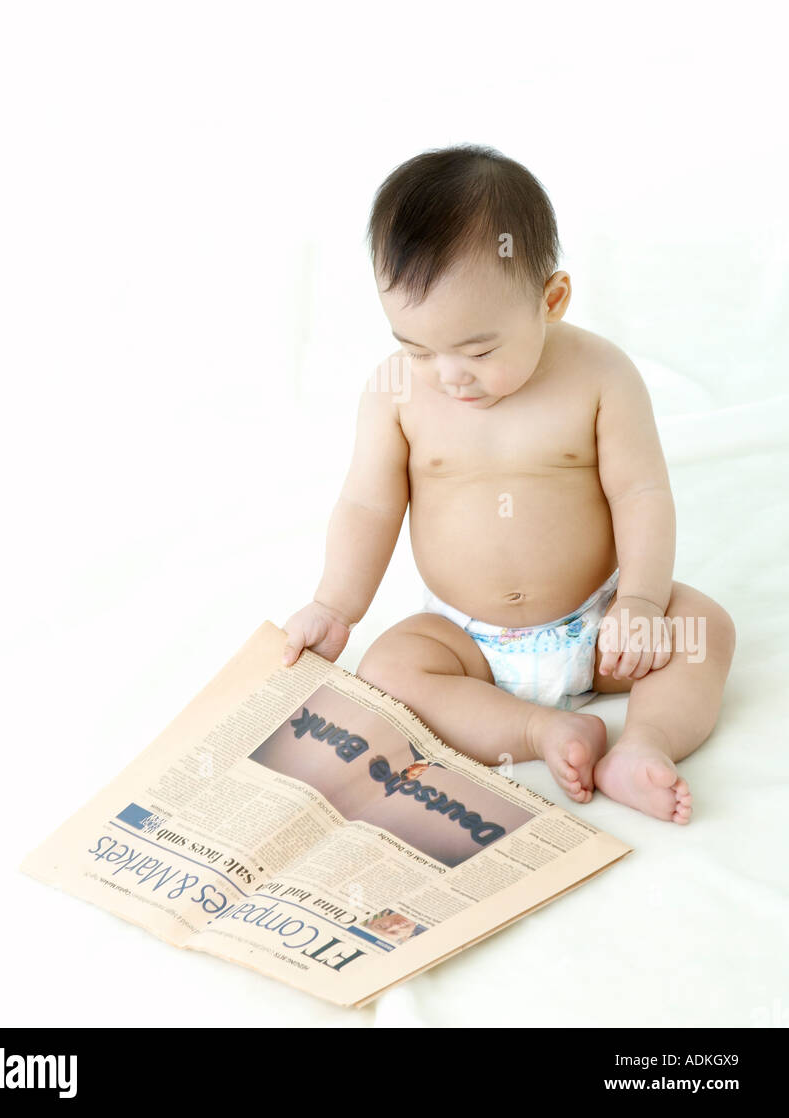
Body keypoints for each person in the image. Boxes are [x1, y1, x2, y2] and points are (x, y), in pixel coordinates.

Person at [281, 146, 736, 823]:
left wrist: (638, 602)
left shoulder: (600, 375)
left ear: (549, 300)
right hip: (469, 648)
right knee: (390, 671)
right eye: (416, 346)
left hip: (599, 626)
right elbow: (367, 503)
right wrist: (334, 605)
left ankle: (643, 745)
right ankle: (541, 732)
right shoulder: (393, 391)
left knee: (702, 627)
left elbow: (640, 493)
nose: (447, 375)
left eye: (478, 350)